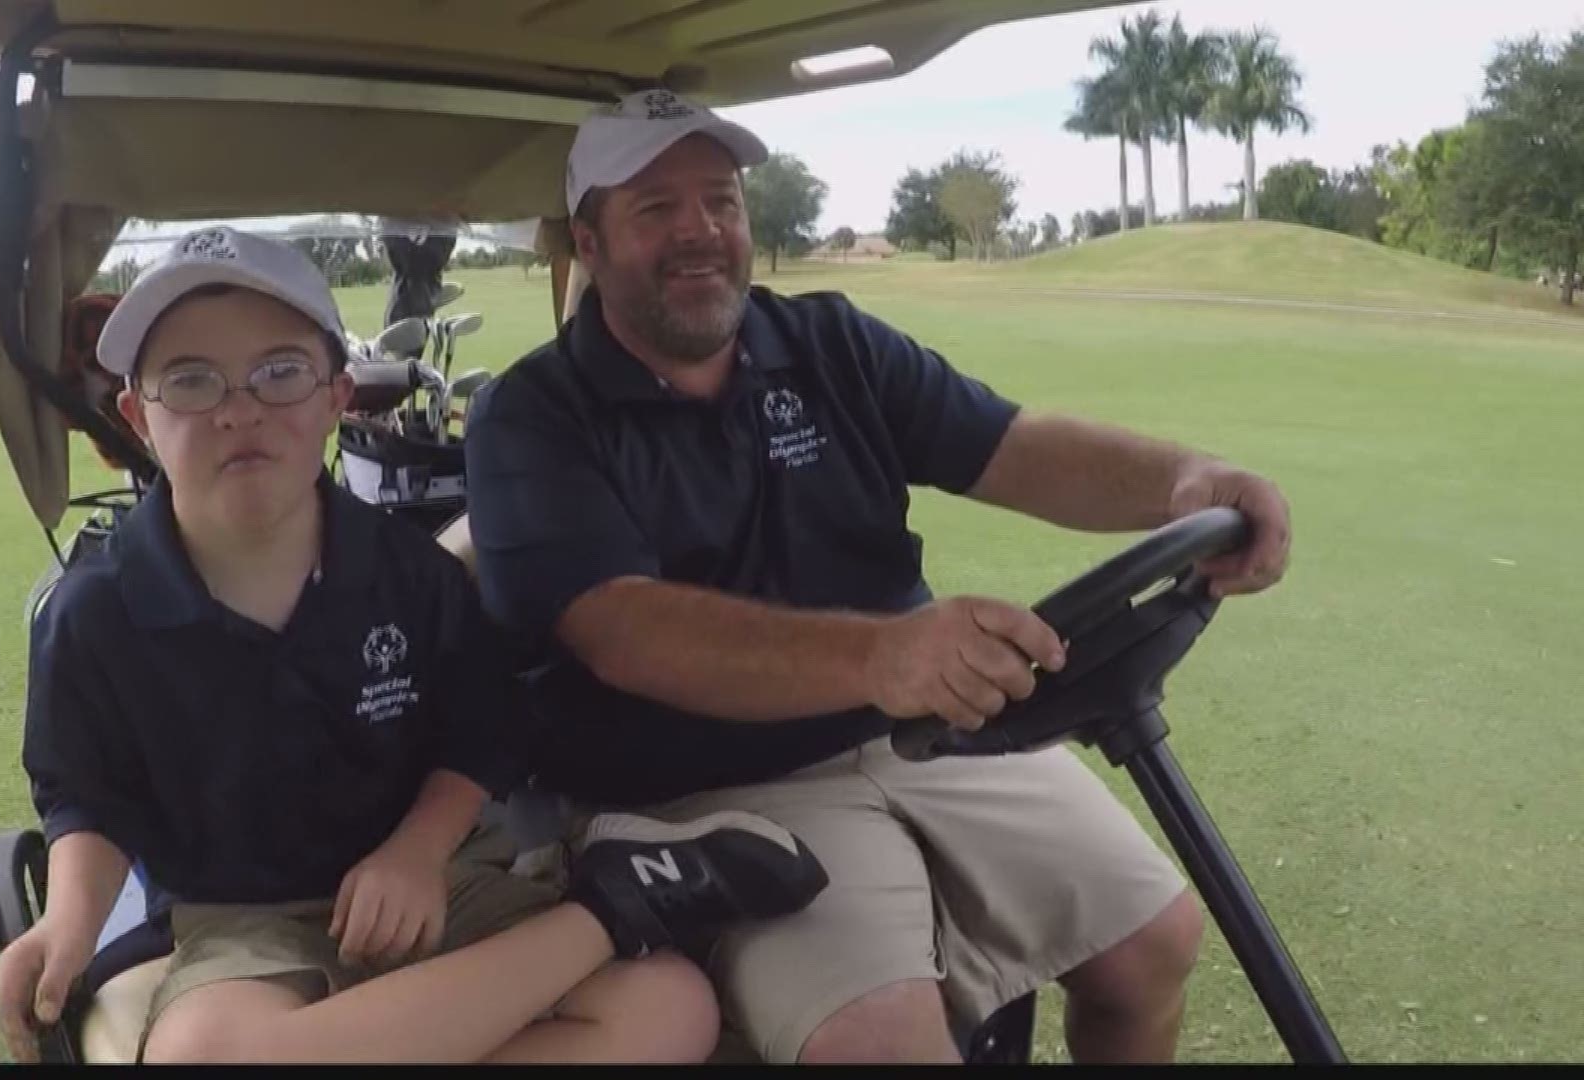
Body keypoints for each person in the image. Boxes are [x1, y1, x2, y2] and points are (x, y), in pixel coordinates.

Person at [464, 90, 1294, 1064]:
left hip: (924, 736)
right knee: (881, 1045)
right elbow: (622, 630)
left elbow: (1013, 445)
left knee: (1155, 944)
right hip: (707, 788)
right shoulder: (533, 417)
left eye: (722, 201)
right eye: (655, 209)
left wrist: (1183, 481)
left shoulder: (828, 343)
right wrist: (885, 655)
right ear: (591, 245)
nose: (701, 231)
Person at [0, 226, 830, 1065]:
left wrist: (416, 853)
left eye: (279, 372)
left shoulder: (410, 575)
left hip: (433, 888)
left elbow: (483, 733)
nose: (238, 408)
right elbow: (88, 799)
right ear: (137, 415)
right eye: (192, 380)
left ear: (335, 398)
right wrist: (68, 923)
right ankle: (605, 918)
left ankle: (614, 904)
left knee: (669, 1006)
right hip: (242, 924)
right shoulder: (94, 612)